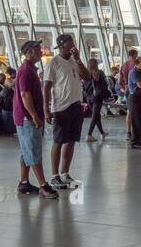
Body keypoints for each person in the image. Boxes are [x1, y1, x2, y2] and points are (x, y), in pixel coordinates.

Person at [44, 33, 91, 188]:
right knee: (58, 141)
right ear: (62, 44)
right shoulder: (53, 63)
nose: (73, 45)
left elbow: (87, 76)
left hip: (75, 105)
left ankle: (65, 173)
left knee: (71, 141)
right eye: (71, 42)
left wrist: (78, 59)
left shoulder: (73, 61)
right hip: (60, 108)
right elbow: (46, 87)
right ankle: (54, 175)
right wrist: (46, 108)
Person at [13, 39, 56, 198]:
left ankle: (24, 183)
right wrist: (34, 116)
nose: (41, 51)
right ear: (29, 52)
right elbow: (25, 94)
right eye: (38, 49)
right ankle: (43, 185)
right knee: (33, 150)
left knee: (26, 151)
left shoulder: (30, 69)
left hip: (26, 117)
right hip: (27, 118)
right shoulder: (25, 70)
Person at [84, 57, 110, 141]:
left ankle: (102, 133)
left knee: (97, 116)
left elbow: (85, 87)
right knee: (95, 116)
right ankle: (89, 134)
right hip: (97, 97)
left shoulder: (86, 73)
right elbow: (104, 85)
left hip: (89, 98)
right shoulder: (99, 73)